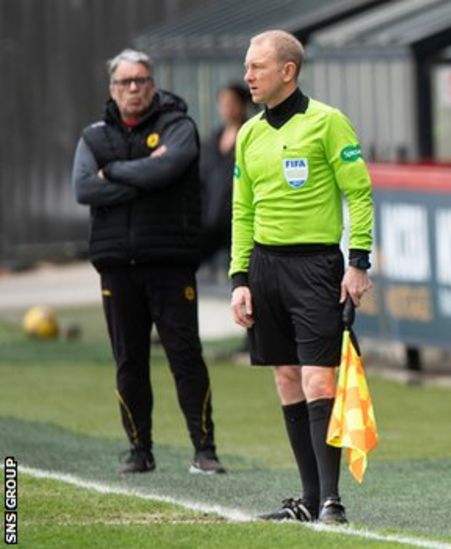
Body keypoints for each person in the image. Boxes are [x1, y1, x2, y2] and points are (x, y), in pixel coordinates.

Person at [230, 30, 374, 525]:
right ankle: (309, 499)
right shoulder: (248, 134)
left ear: (287, 71)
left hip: (316, 267)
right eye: (247, 67)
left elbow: (359, 193)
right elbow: (242, 210)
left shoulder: (328, 122)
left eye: (257, 67)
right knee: (287, 377)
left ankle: (332, 499)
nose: (248, 76)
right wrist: (239, 278)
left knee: (318, 377)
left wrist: (358, 262)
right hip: (265, 269)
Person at [71, 49, 224, 475]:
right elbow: (83, 189)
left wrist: (114, 172)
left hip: (170, 262)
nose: (134, 88)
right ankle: (140, 450)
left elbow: (168, 169)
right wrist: (144, 177)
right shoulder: (94, 137)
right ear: (112, 89)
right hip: (117, 265)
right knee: (129, 361)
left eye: (141, 80)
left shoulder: (178, 126)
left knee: (185, 356)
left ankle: (205, 449)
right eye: (126, 82)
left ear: (153, 84)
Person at [200, 83, 250, 267]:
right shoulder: (213, 139)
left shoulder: (251, 134)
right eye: (223, 103)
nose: (227, 108)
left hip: (238, 215)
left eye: (232, 103)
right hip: (213, 215)